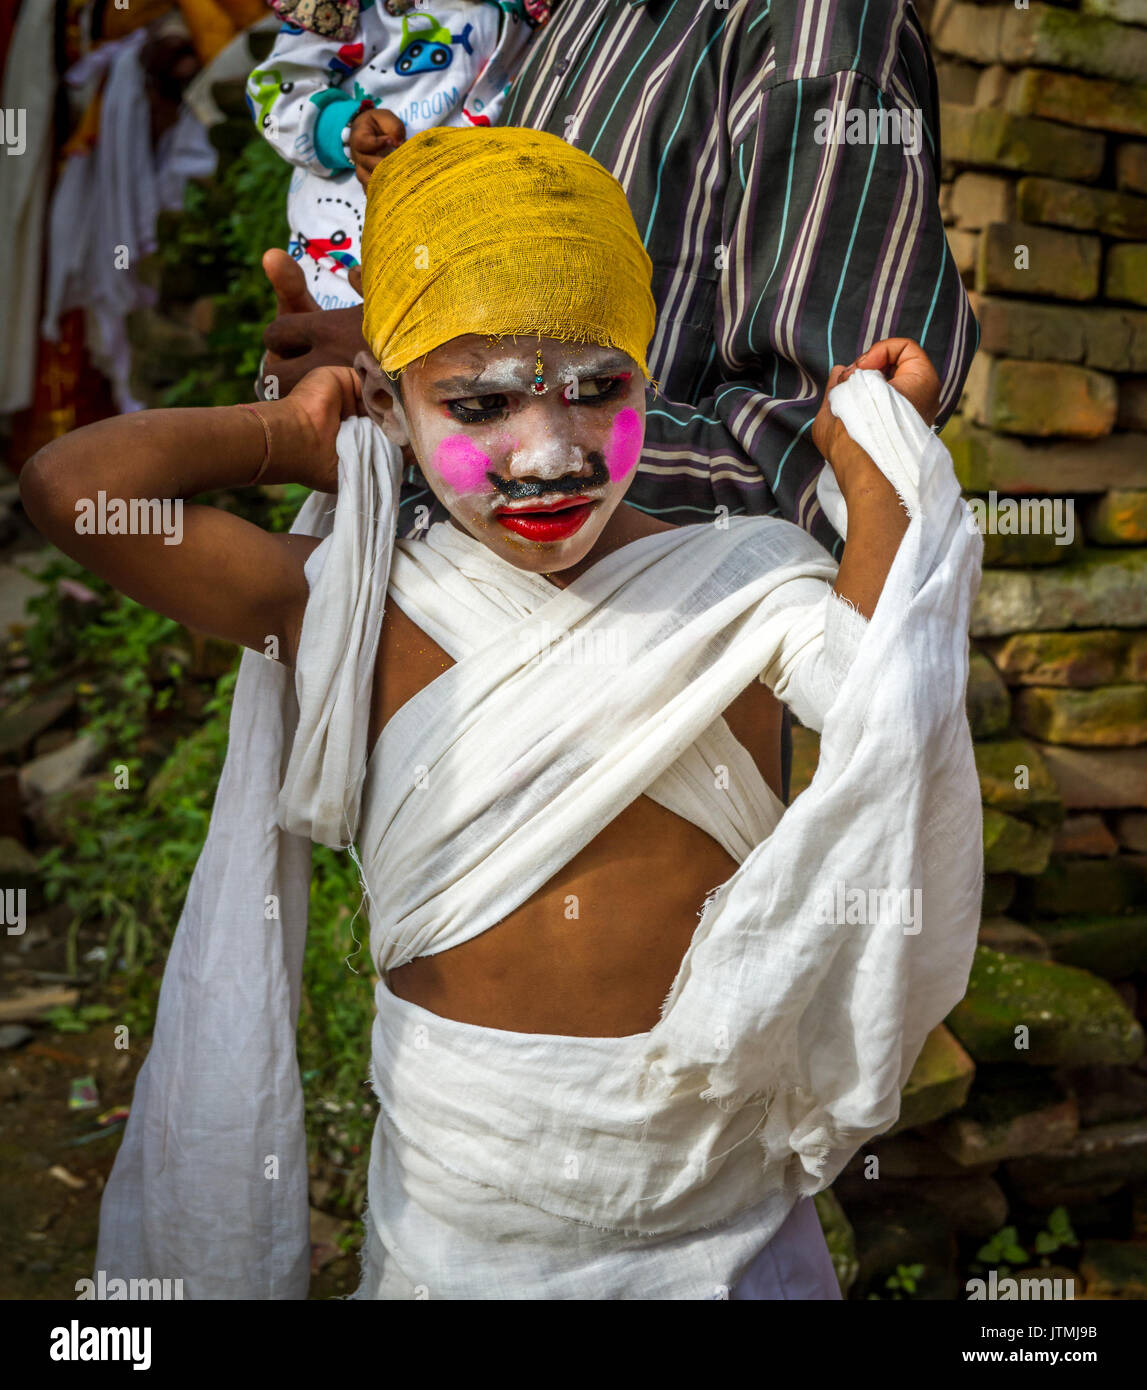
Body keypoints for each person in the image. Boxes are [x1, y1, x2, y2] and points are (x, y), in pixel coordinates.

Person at [21, 127, 983, 1300]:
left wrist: (876, 462)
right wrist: (286, 433)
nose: (548, 455)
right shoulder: (360, 605)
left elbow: (886, 694)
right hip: (458, 1235)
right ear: (387, 391)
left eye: (596, 390)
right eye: (476, 401)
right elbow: (73, 489)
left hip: (721, 1233)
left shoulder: (749, 588)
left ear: (646, 379)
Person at [248, 0, 545, 308]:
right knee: (331, 342)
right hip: (342, 255)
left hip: (468, 247)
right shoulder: (348, 9)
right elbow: (276, 94)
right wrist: (345, 130)